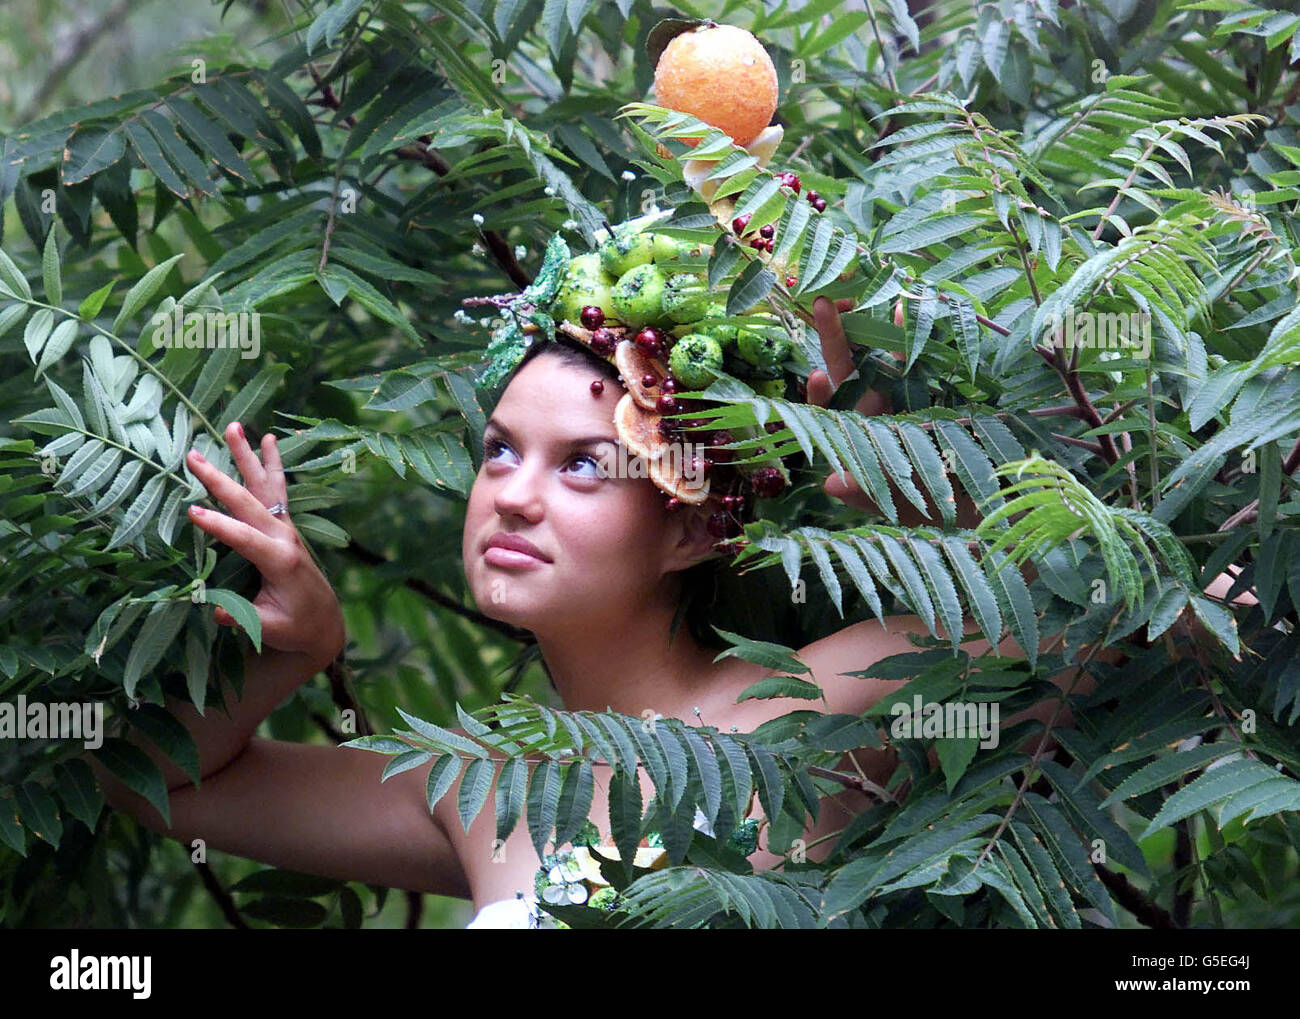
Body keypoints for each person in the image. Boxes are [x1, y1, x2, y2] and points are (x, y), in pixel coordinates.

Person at [85, 297, 1246, 929]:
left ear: (694, 528)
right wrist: (302, 652)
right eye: (500, 449)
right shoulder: (473, 783)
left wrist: (931, 486)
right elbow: (157, 782)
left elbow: (1179, 599)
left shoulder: (824, 703)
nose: (515, 491)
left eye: (585, 464)